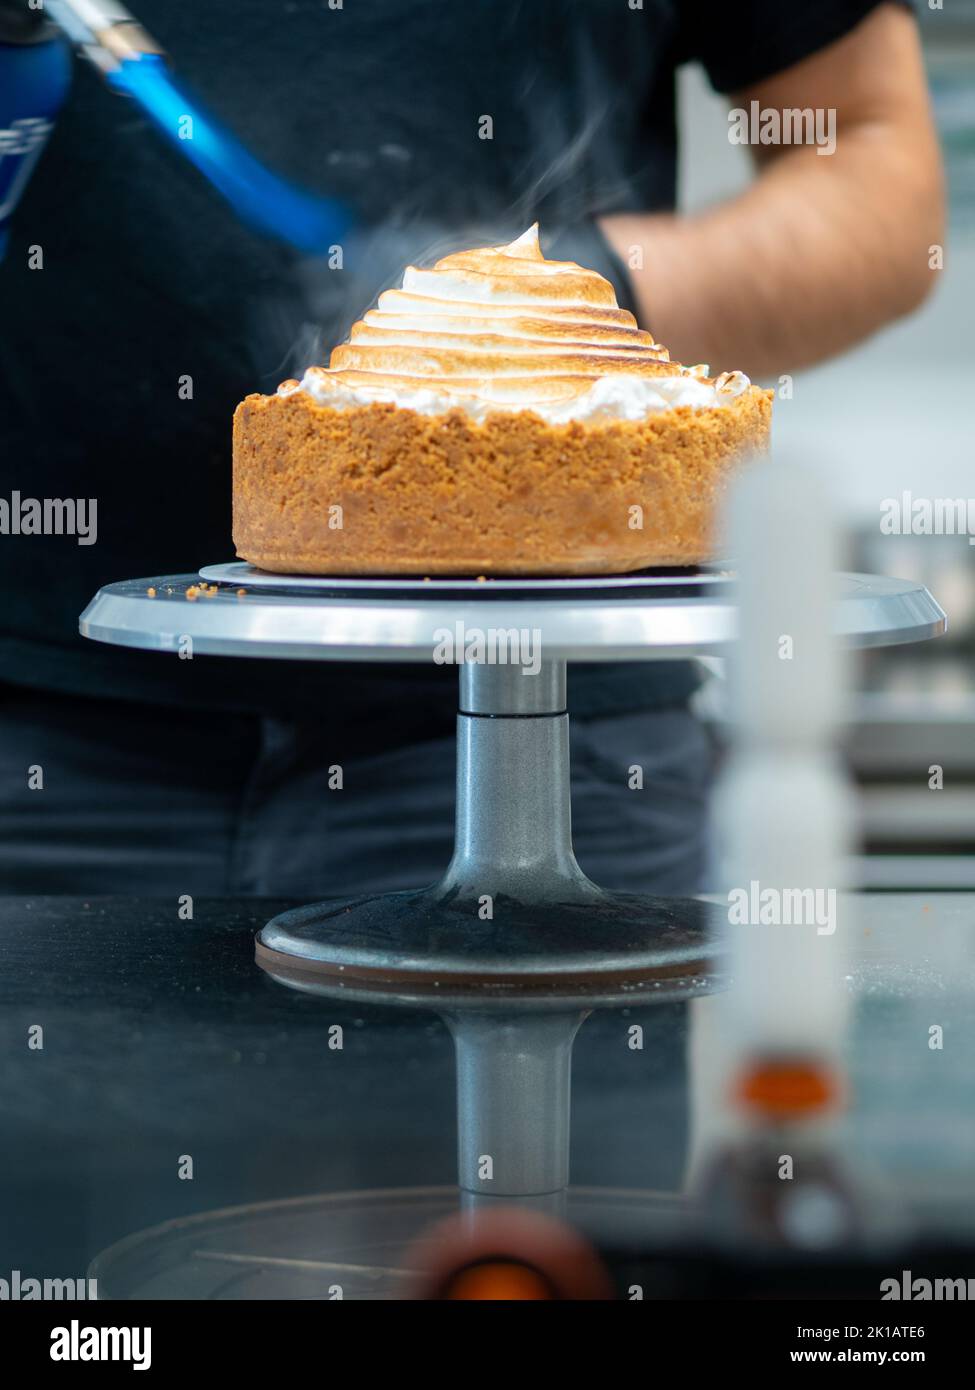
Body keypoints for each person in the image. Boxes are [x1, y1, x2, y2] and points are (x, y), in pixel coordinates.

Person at [0, 1, 943, 898]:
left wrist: (565, 311)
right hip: (40, 731)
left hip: (552, 739)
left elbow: (873, 181)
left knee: (539, 1068)